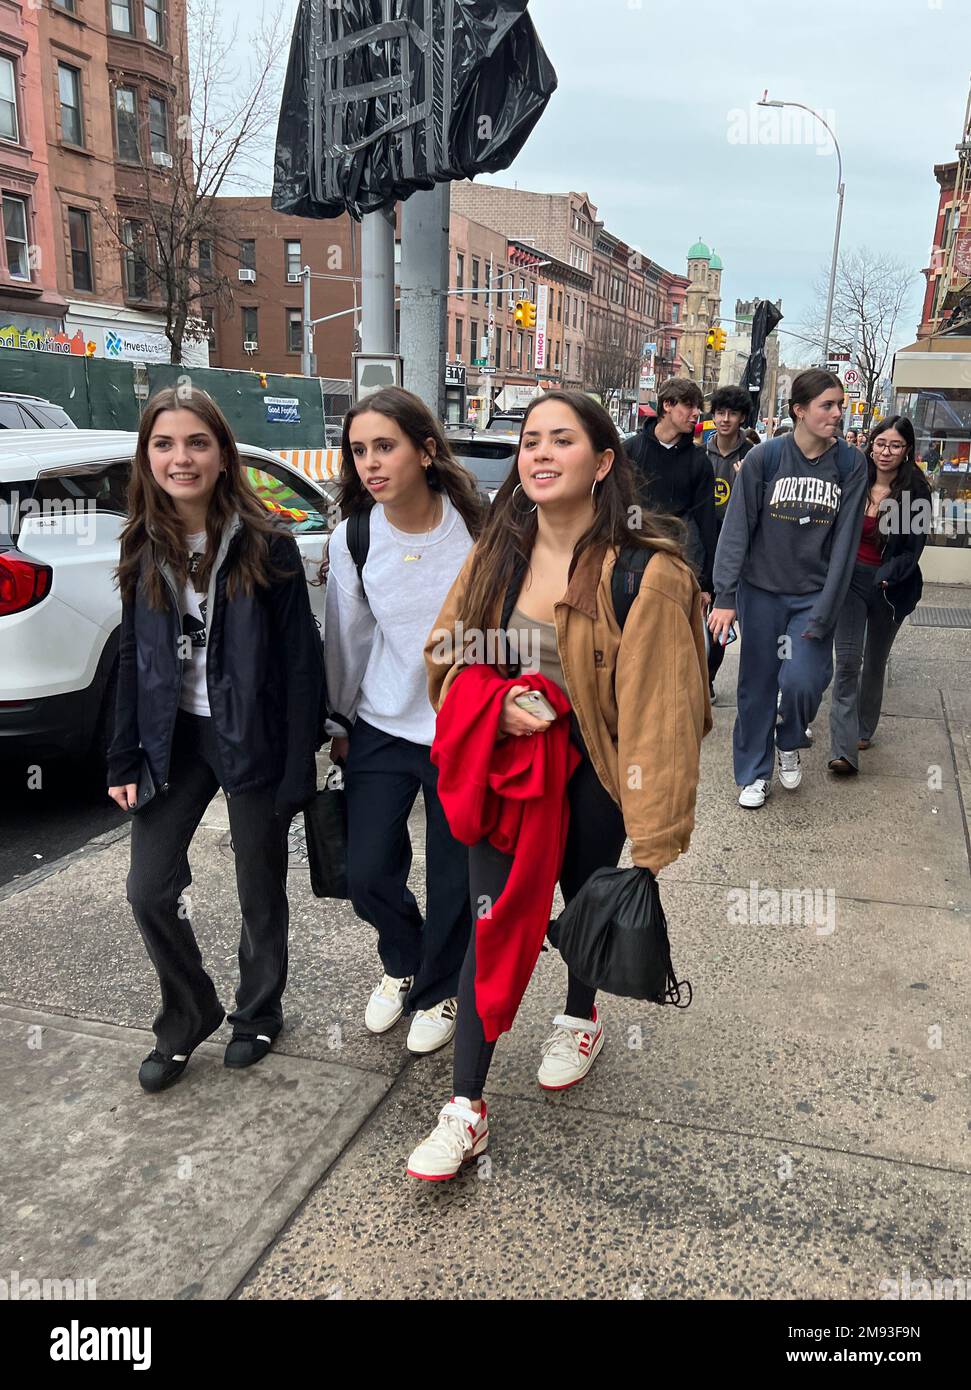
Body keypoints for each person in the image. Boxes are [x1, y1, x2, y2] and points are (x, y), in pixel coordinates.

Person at [407, 390, 711, 1180]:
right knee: (491, 924)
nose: (539, 454)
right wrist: (492, 700)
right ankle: (465, 1108)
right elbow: (446, 648)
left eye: (561, 440)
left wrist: (651, 838)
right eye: (529, 440)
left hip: (596, 770)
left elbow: (660, 712)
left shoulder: (647, 571)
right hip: (508, 768)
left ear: (602, 462)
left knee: (584, 902)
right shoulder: (497, 552)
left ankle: (579, 1016)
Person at [107, 387, 325, 1093]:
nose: (181, 458)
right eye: (164, 444)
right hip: (173, 739)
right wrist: (122, 752)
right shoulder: (141, 545)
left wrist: (299, 765)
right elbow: (131, 663)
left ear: (222, 455)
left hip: (251, 738)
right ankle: (189, 1011)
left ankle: (258, 1011)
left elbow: (301, 665)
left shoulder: (269, 545)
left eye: (196, 442)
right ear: (147, 457)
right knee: (148, 889)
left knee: (258, 887)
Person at [324, 387, 486, 1055]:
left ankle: (441, 988)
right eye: (358, 450)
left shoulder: (479, 528)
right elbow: (347, 637)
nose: (370, 463)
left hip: (462, 729)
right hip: (381, 725)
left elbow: (513, 628)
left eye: (384, 446)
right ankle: (403, 960)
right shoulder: (354, 537)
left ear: (424, 450)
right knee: (364, 869)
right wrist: (337, 720)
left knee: (455, 876)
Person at [708, 369, 867, 808]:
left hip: (814, 595)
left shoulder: (851, 465)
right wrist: (725, 595)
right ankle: (754, 773)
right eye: (827, 405)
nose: (837, 413)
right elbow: (737, 529)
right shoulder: (766, 459)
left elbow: (846, 542)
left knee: (803, 680)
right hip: (761, 593)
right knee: (756, 686)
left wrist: (826, 609)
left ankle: (790, 739)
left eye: (840, 405)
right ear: (799, 410)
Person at [828, 416, 931, 773]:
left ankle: (863, 727)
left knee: (874, 663)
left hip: (891, 587)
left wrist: (889, 574)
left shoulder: (916, 490)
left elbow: (913, 549)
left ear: (907, 451)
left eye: (895, 446)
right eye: (881, 443)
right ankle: (843, 750)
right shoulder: (856, 477)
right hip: (851, 581)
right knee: (847, 662)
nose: (885, 452)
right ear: (871, 443)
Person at [625, 377, 717, 606]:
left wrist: (706, 584)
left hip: (681, 565)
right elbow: (615, 508)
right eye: (688, 405)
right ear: (667, 405)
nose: (696, 413)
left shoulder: (699, 462)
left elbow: (706, 522)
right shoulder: (630, 450)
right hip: (632, 564)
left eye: (698, 407)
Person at [706, 385, 756, 700]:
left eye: (732, 413)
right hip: (703, 544)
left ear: (741, 418)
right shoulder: (699, 452)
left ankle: (708, 676)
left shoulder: (753, 457)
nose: (725, 419)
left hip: (738, 548)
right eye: (721, 412)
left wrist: (746, 482)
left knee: (721, 620)